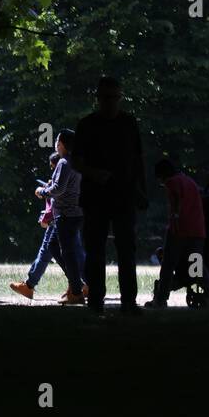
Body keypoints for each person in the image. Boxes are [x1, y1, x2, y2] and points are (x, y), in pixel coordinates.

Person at [72, 76, 146, 313]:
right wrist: (94, 173)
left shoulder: (129, 124)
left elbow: (137, 160)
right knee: (96, 252)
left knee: (126, 251)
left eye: (114, 98)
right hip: (96, 197)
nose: (111, 102)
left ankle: (128, 301)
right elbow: (76, 161)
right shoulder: (86, 125)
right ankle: (96, 301)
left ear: (119, 98)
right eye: (106, 98)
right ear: (99, 98)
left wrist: (140, 191)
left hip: (123, 196)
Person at [11, 133, 88, 303]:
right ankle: (77, 285)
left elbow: (58, 189)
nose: (55, 144)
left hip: (65, 214)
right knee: (54, 246)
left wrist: (42, 192)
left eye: (56, 141)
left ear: (61, 143)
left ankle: (76, 291)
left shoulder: (63, 162)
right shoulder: (78, 162)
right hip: (76, 212)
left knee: (68, 253)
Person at [148, 157, 209, 307]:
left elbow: (176, 202)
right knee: (196, 264)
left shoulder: (172, 182)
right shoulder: (189, 181)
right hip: (197, 230)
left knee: (168, 264)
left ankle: (161, 299)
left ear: (163, 175)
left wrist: (174, 219)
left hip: (180, 229)